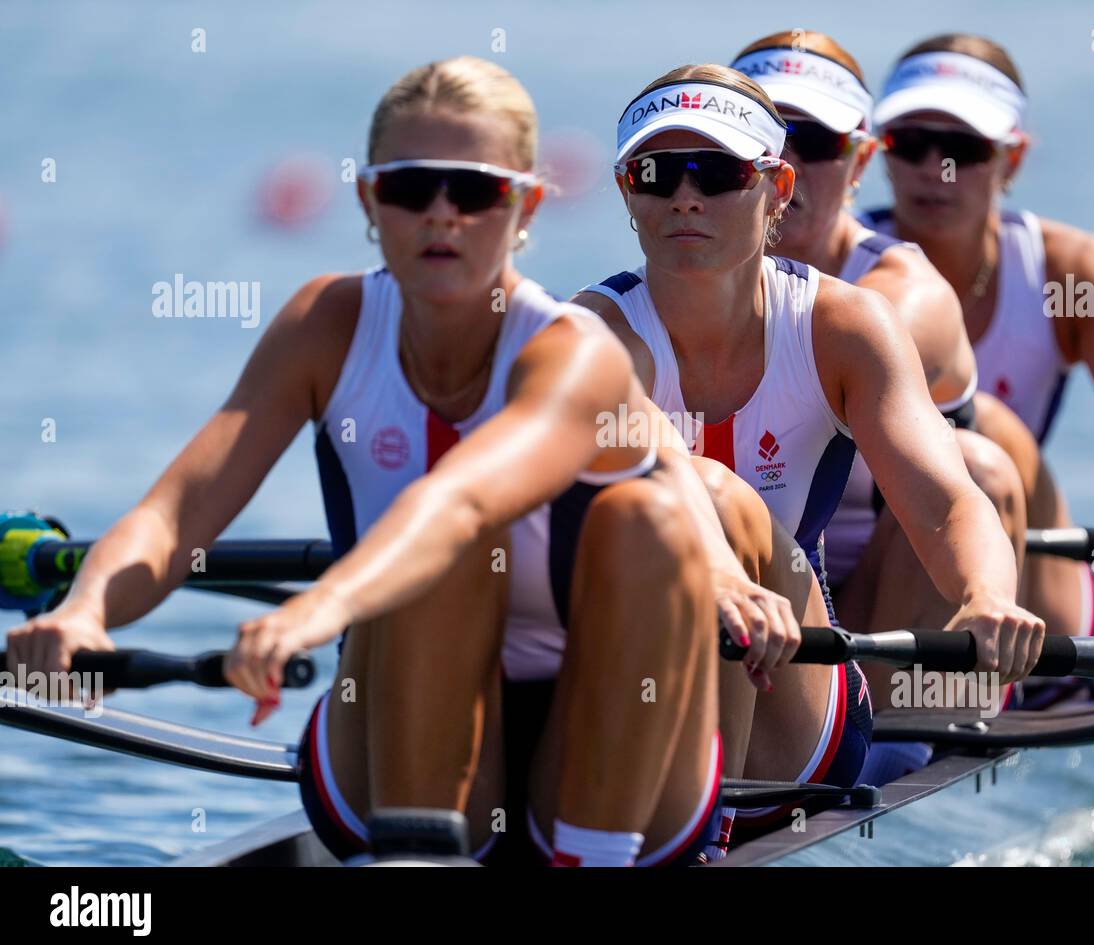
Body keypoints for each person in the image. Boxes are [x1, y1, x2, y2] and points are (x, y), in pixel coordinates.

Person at [5, 56, 800, 868]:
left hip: (612, 748)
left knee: (644, 516)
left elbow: (459, 504)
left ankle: (589, 856)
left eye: (475, 191)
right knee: (438, 561)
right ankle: (419, 852)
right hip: (398, 726)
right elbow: (178, 514)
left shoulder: (575, 358)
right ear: (367, 201)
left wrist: (308, 615)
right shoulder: (326, 323)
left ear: (525, 205)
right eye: (411, 189)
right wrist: (85, 611)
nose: (442, 217)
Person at [575, 64, 1044, 854]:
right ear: (628, 191)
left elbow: (950, 505)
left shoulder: (845, 327)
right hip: (640, 672)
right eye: (658, 174)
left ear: (777, 188)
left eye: (719, 173)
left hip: (799, 716)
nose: (686, 197)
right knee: (690, 498)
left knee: (728, 496)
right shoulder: (588, 335)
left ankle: (716, 826)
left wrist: (986, 595)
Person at [844, 33, 1094, 639]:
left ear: (1014, 159)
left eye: (963, 147)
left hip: (1022, 564)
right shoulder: (832, 265)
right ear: (875, 151)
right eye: (909, 142)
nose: (931, 168)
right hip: (871, 562)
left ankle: (1030, 667)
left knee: (983, 430)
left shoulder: (1073, 270)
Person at [730, 33, 1029, 772]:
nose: (788, 167)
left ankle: (889, 747)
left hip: (902, 621)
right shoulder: (661, 295)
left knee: (984, 463)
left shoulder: (903, 299)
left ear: (862, 161)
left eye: (816, 143)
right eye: (768, 140)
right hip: (769, 601)